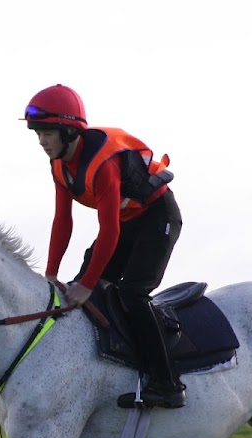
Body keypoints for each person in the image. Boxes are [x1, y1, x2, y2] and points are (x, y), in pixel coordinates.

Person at [23, 84, 186, 409]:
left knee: (131, 293)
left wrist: (86, 283)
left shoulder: (103, 163)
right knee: (82, 289)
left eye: (47, 133)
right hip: (128, 222)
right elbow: (62, 222)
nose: (41, 141)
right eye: (37, 133)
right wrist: (52, 273)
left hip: (157, 217)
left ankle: (167, 385)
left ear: (69, 132)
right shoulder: (58, 165)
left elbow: (109, 229)